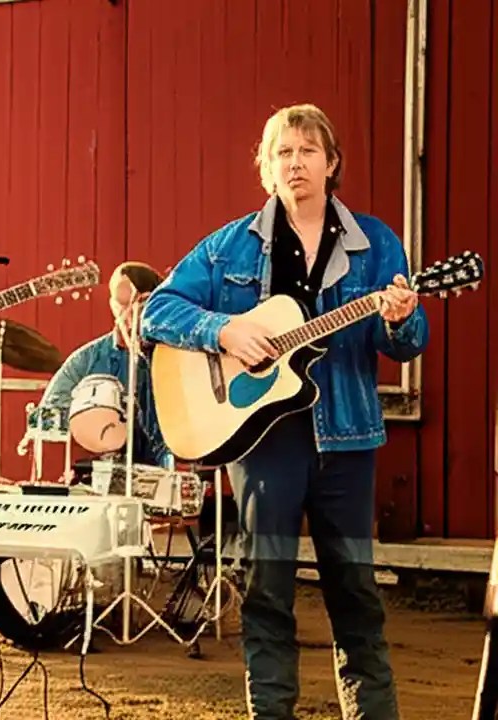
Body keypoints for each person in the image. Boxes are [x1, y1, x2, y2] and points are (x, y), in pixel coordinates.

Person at [139, 103, 427, 719]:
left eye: (307, 151)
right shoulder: (227, 250)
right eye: (283, 153)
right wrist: (222, 331)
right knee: (265, 589)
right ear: (266, 169)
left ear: (332, 164)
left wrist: (401, 320)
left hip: (346, 439)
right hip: (261, 442)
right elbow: (157, 311)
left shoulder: (375, 244)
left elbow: (406, 341)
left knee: (355, 591)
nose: (295, 163)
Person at [32, 260, 170, 468]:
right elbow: (46, 418)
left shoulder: (181, 356)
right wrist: (90, 422)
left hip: (170, 471)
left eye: (141, 303)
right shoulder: (88, 360)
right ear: (112, 306)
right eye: (122, 305)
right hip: (106, 475)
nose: (130, 314)